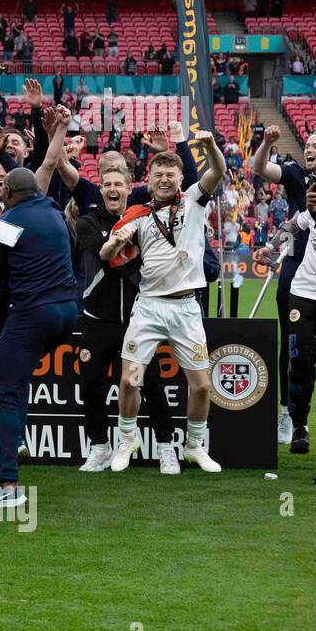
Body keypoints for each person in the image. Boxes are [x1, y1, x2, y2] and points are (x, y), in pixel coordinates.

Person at [101, 132, 227, 475]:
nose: (164, 179)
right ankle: (127, 439)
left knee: (201, 385)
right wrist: (116, 242)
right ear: (149, 180)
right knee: (130, 380)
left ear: (180, 178)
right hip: (150, 309)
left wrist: (210, 147)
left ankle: (194, 446)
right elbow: (105, 254)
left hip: (186, 309)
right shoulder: (137, 215)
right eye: (158, 174)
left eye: (170, 174)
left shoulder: (195, 202)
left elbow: (217, 171)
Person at [73, 162, 178, 472]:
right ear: (101, 190)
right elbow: (107, 258)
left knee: (150, 383)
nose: (113, 190)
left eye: (119, 184)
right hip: (97, 319)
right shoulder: (88, 222)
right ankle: (100, 447)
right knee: (91, 384)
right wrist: (124, 241)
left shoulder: (147, 221)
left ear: (130, 189)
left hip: (138, 321)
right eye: (108, 184)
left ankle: (165, 447)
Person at [0, 167, 79, 506]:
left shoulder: (5, 224)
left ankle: (8, 485)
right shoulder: (53, 210)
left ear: (8, 193)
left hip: (32, 314)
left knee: (4, 391)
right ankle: (18, 439)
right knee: (18, 377)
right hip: (67, 311)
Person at [251, 126, 316, 448]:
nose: (308, 148)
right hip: (296, 269)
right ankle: (290, 415)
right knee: (293, 347)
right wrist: (268, 143)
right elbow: (260, 168)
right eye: (307, 144)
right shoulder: (296, 175)